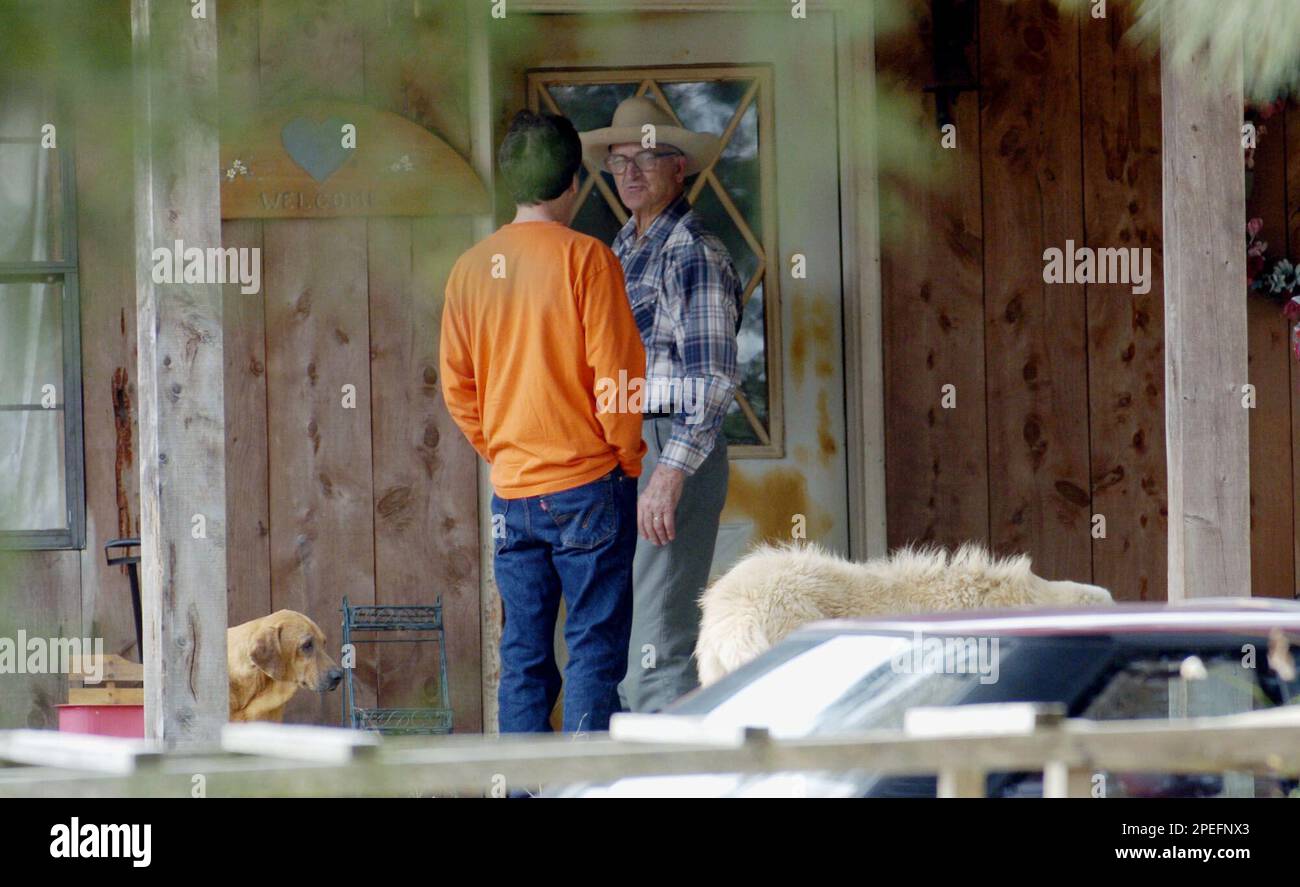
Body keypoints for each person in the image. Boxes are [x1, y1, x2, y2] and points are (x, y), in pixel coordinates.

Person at [439, 110, 646, 733]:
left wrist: (503, 452)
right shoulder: (589, 259)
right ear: (573, 184)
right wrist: (626, 458)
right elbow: (617, 376)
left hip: (512, 492)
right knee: (594, 648)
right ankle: (580, 786)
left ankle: (520, 786)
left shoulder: (471, 269)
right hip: (590, 485)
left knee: (524, 655)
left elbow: (458, 388)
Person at [580, 97, 743, 713]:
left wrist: (669, 476)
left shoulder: (693, 250)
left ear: (681, 169)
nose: (630, 172)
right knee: (624, 645)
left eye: (647, 157)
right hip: (627, 452)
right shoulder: (625, 245)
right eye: (619, 160)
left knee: (659, 641)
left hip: (671, 449)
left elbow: (711, 377)